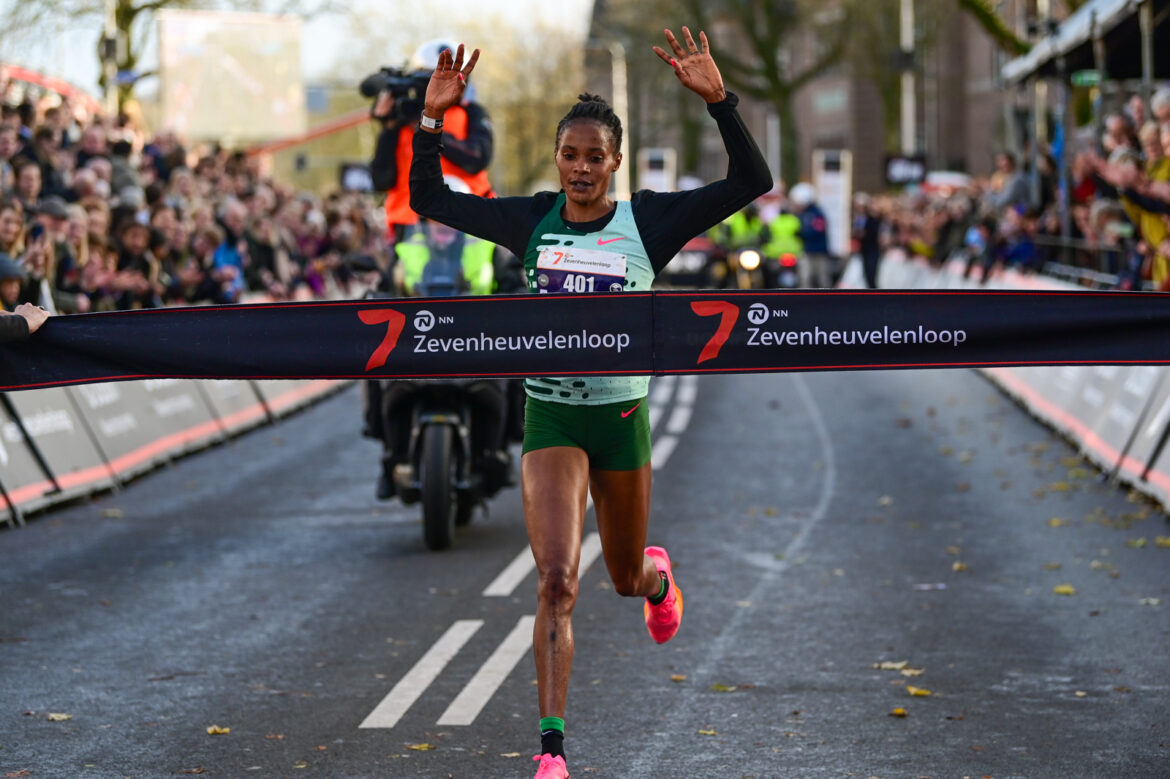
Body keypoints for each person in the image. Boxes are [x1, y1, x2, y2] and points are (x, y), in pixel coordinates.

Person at [409, 28, 771, 778]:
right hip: (552, 417)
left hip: (621, 422)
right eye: (569, 155)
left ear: (615, 162)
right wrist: (430, 119)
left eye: (594, 156)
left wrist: (720, 103)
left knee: (622, 576)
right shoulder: (528, 220)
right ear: (557, 159)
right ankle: (552, 752)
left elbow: (750, 182)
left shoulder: (649, 223)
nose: (580, 168)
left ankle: (657, 579)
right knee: (556, 580)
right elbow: (428, 197)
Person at [368, 38, 494, 243]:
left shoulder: (472, 113)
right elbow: (381, 179)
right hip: (411, 231)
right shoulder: (399, 121)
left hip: (469, 224)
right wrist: (388, 129)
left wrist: (428, 124)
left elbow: (477, 158)